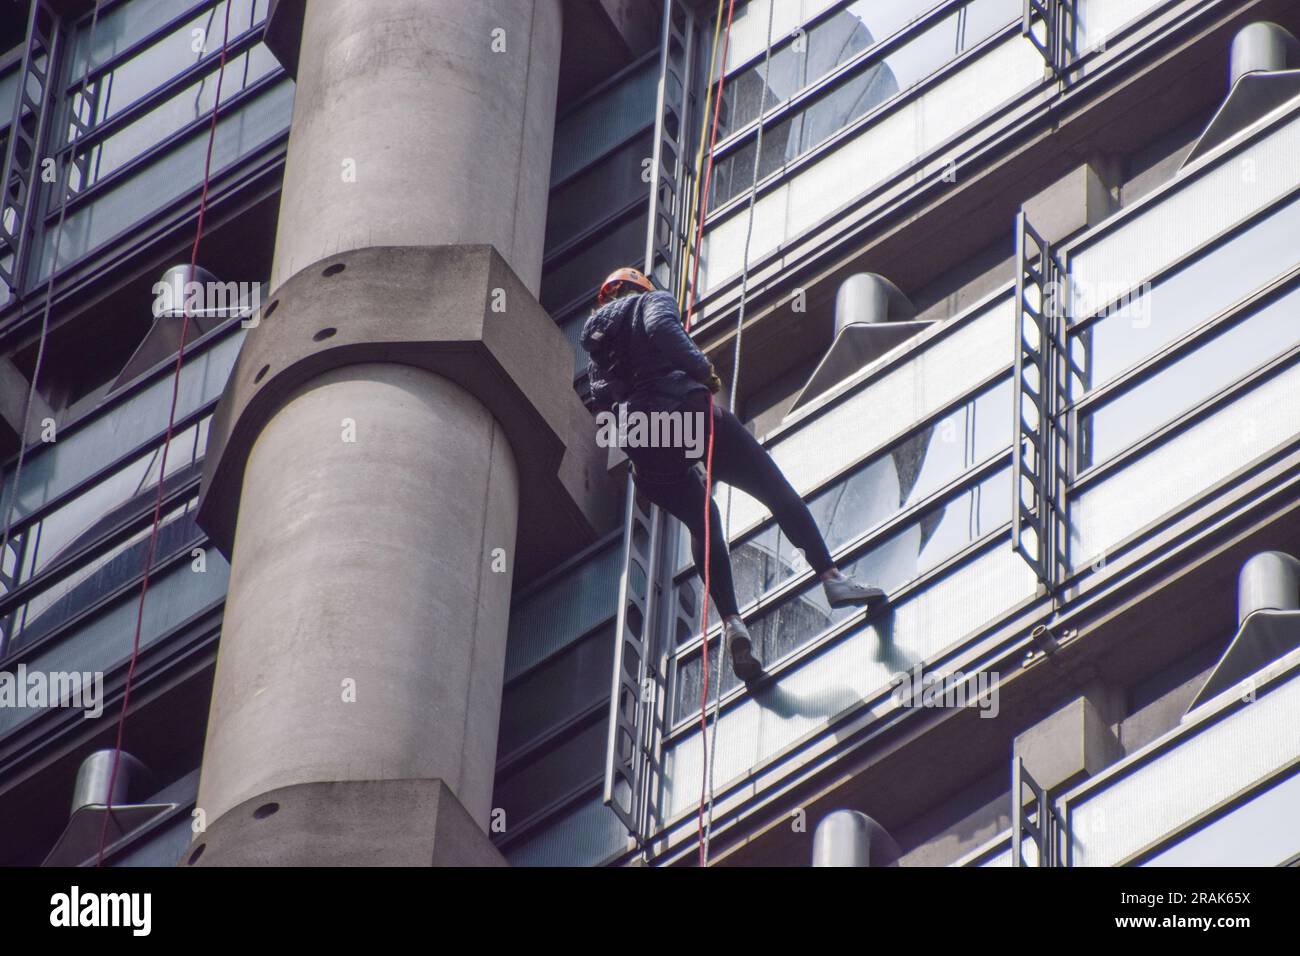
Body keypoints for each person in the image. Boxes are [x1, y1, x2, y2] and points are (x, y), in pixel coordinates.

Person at [581, 267, 888, 683]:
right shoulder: (651, 301)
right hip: (687, 414)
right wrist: (702, 370)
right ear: (639, 288)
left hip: (645, 446)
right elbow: (664, 332)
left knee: (701, 518)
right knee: (774, 491)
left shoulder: (600, 347)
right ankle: (831, 578)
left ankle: (731, 622)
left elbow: (600, 402)